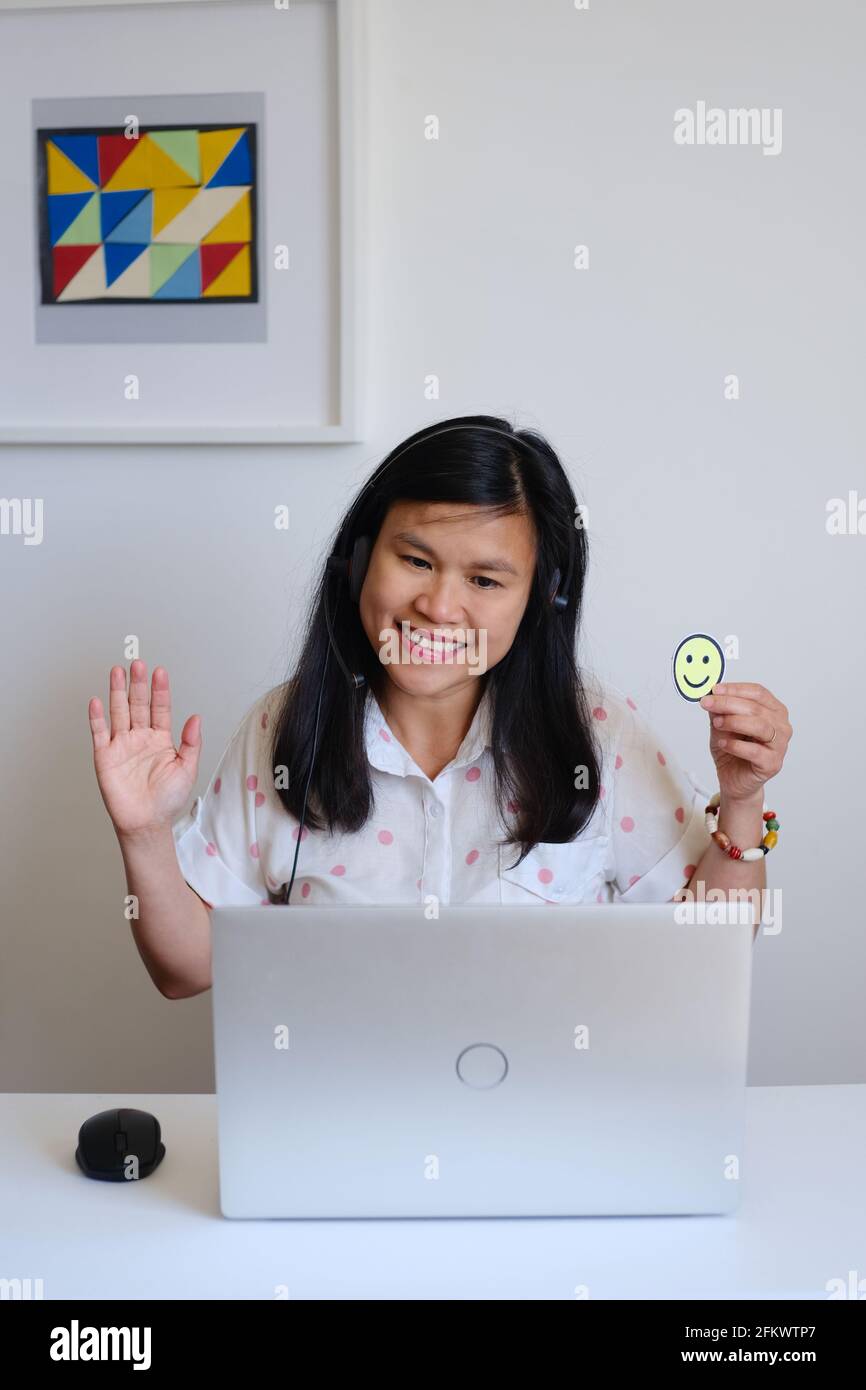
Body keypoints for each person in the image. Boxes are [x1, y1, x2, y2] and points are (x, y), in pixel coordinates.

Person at [89, 414, 791, 998]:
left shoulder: (596, 734)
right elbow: (185, 971)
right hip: (340, 1133)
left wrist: (742, 798)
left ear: (541, 599)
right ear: (362, 560)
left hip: (548, 1127)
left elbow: (713, 945)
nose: (438, 606)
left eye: (485, 579)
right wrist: (145, 833)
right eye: (416, 561)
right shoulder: (286, 729)